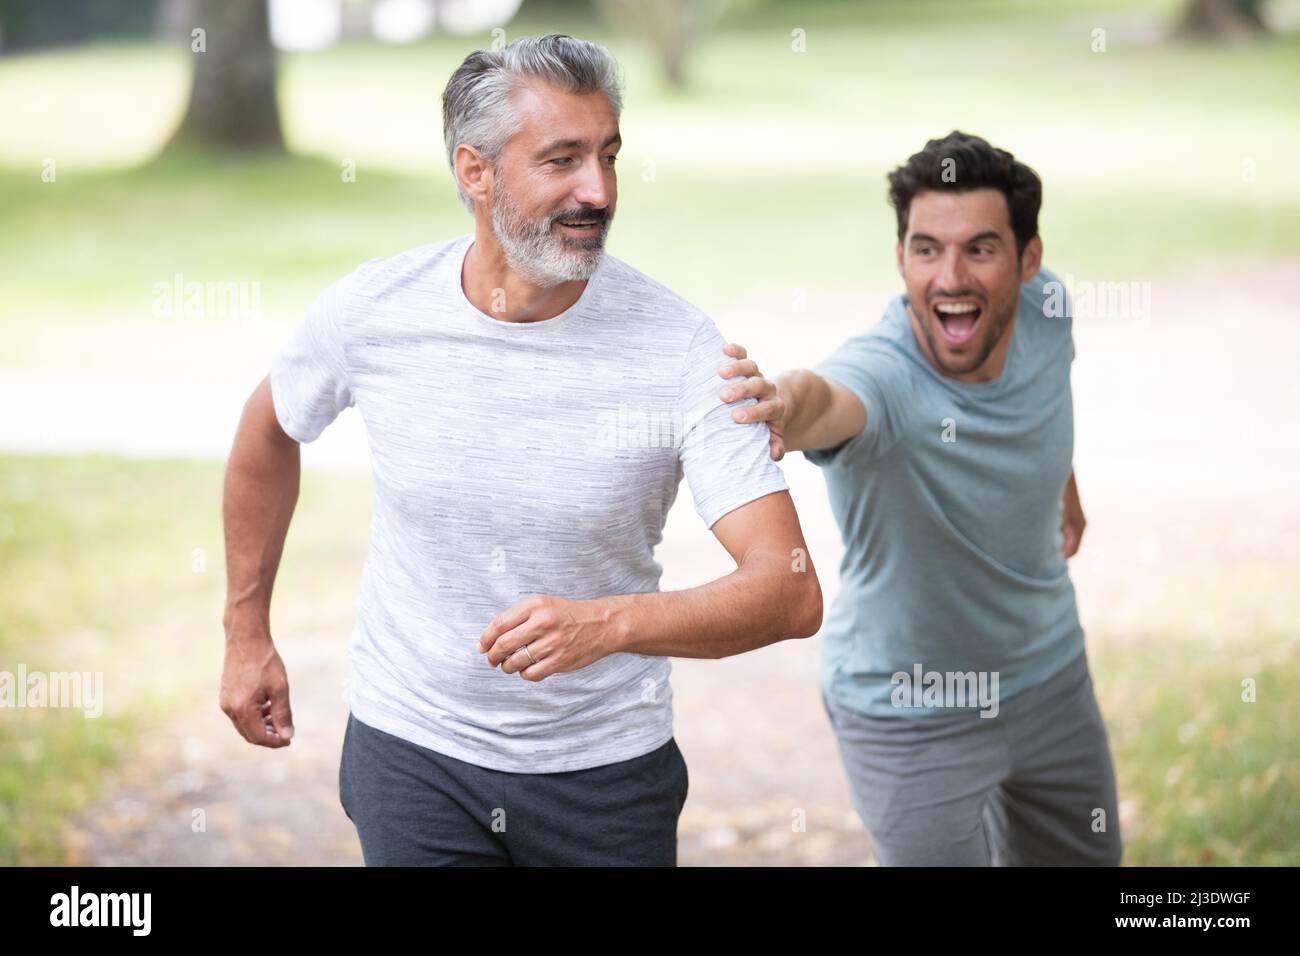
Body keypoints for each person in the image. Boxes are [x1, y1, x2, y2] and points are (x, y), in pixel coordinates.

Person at [219, 34, 822, 867]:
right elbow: (266, 432)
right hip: (413, 751)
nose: (600, 190)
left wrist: (611, 624)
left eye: (609, 155)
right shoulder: (375, 313)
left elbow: (789, 592)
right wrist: (246, 629)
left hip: (604, 776)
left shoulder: (680, 349)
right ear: (475, 171)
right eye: (563, 159)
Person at [717, 131, 1122, 866]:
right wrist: (781, 401)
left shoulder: (1049, 305)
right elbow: (823, 398)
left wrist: (1063, 485)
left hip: (1049, 675)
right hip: (907, 708)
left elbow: (1046, 389)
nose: (950, 277)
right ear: (901, 258)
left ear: (1029, 261)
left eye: (980, 249)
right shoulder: (888, 377)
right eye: (927, 249)